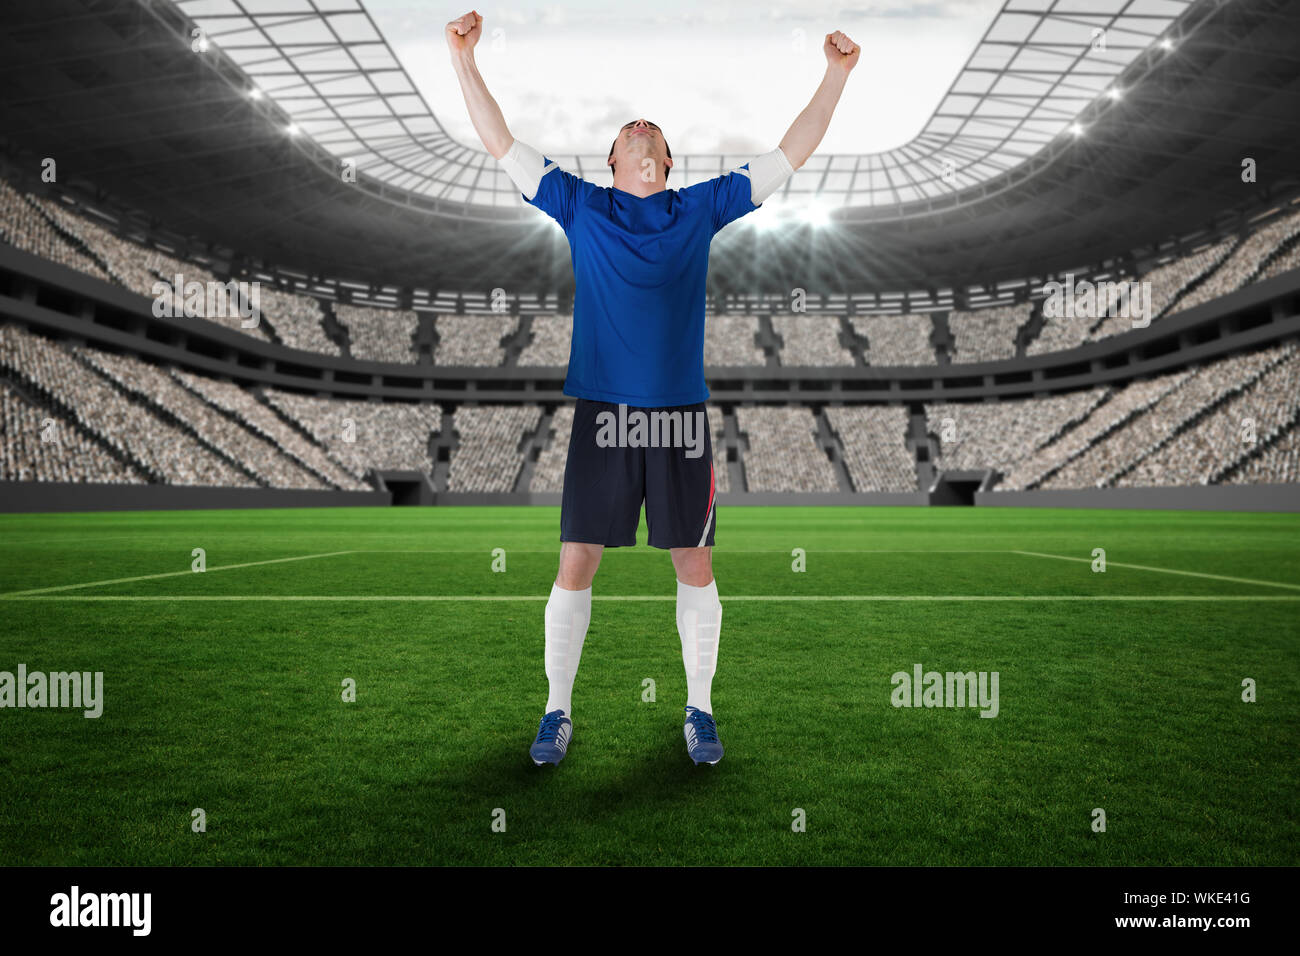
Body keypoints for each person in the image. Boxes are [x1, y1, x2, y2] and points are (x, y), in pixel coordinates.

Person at [446, 9, 860, 765]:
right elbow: (499, 141)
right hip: (603, 413)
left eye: (651, 129)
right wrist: (464, 61)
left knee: (693, 564)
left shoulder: (699, 207)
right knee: (576, 561)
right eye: (628, 129)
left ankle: (699, 709)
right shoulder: (581, 206)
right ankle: (556, 710)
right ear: (613, 162)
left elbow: (788, 155)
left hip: (678, 419)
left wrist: (835, 74)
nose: (639, 127)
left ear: (665, 161)